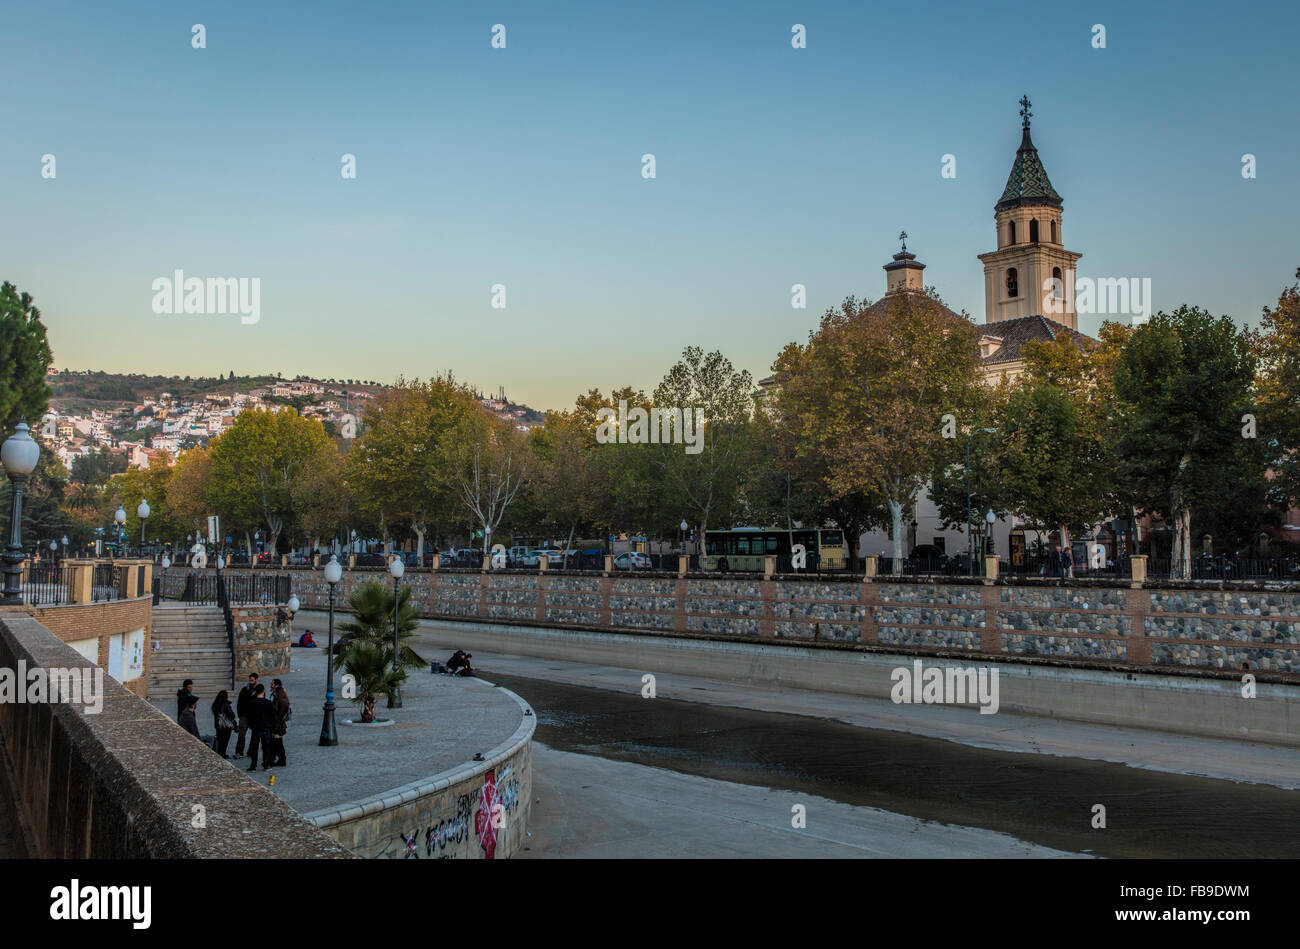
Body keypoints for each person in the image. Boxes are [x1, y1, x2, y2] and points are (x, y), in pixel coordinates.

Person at [246, 683, 275, 772]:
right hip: (266, 727)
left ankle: (253, 765)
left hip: (256, 727)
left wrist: (251, 725)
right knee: (266, 747)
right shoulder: (268, 703)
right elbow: (272, 716)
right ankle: (266, 764)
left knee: (254, 747)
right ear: (263, 691)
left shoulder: (252, 703)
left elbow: (249, 716)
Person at [234, 673, 259, 758]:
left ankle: (251, 751)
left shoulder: (259, 690)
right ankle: (239, 751)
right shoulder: (244, 690)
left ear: (256, 680)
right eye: (250, 680)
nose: (251, 682)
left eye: (252, 680)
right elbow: (239, 702)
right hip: (244, 716)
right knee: (241, 734)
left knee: (255, 735)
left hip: (254, 716)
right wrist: (240, 714)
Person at [269, 679, 291, 767]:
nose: (270, 685)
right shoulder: (275, 695)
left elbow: (280, 713)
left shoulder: (281, 698)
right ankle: (273, 758)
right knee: (275, 742)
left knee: (278, 742)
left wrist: (276, 723)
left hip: (278, 724)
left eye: (272, 684)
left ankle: (281, 759)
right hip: (275, 723)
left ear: (276, 685)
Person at [211, 690, 236, 758]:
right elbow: (231, 715)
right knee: (225, 740)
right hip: (226, 726)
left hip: (218, 725)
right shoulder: (226, 705)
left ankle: (220, 752)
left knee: (220, 740)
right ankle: (223, 753)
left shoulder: (215, 705)